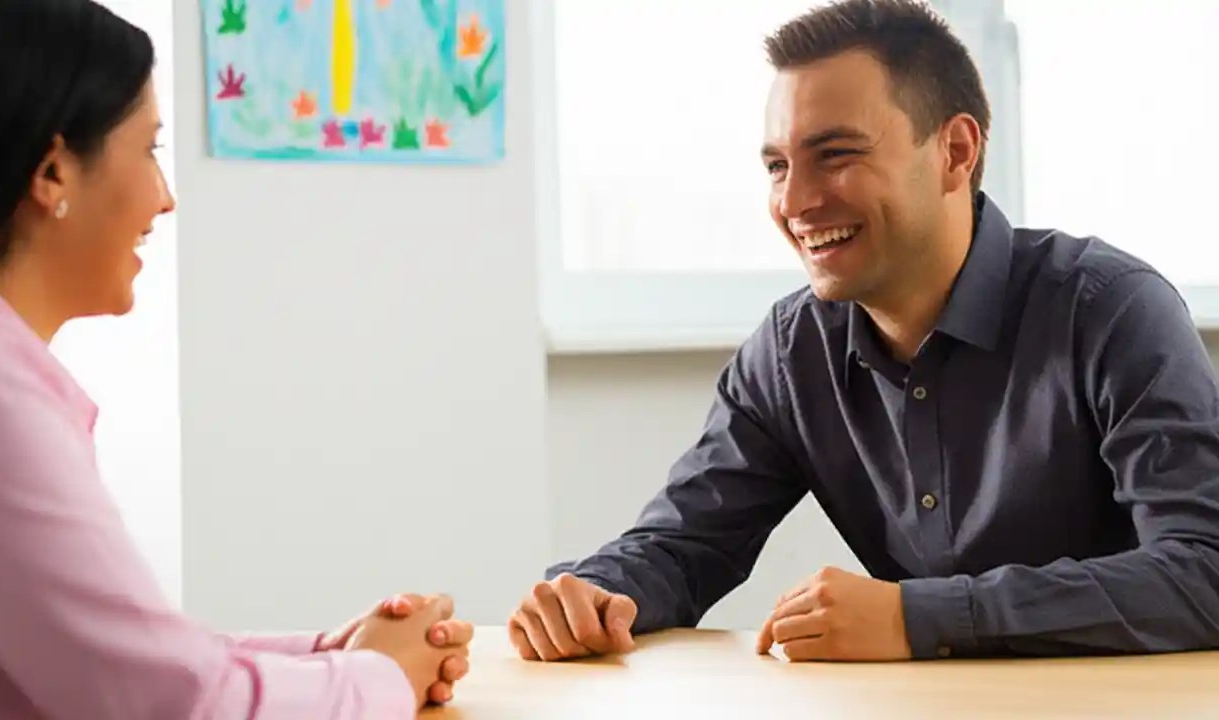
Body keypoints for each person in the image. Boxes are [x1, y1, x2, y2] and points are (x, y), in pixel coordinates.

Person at [508, 0, 1219, 663]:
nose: (794, 202)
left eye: (836, 155)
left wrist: (920, 617)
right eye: (778, 166)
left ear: (956, 151)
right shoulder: (790, 353)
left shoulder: (1110, 309)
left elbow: (1204, 571)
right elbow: (682, 544)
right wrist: (594, 594)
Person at [0, 1, 472, 717]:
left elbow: (123, 654)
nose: (165, 200)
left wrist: (331, 653)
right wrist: (383, 676)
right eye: (150, 150)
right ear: (54, 170)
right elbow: (168, 703)